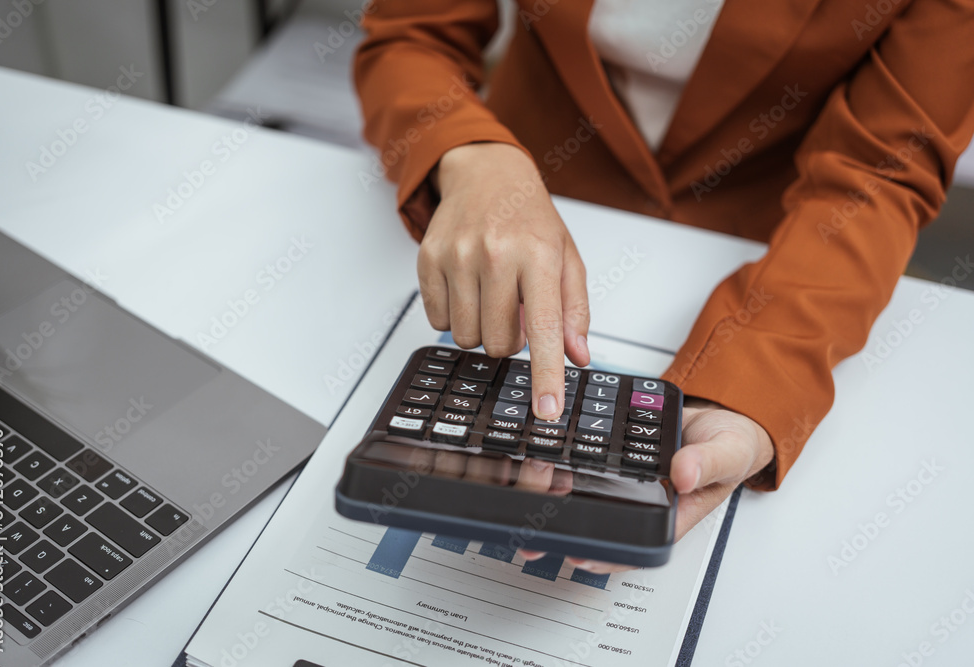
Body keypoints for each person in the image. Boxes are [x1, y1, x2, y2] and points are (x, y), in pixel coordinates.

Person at [353, 0, 974, 572]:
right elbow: (412, 34)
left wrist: (753, 380)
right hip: (525, 177)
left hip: (770, 236)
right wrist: (468, 151)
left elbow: (885, 166)